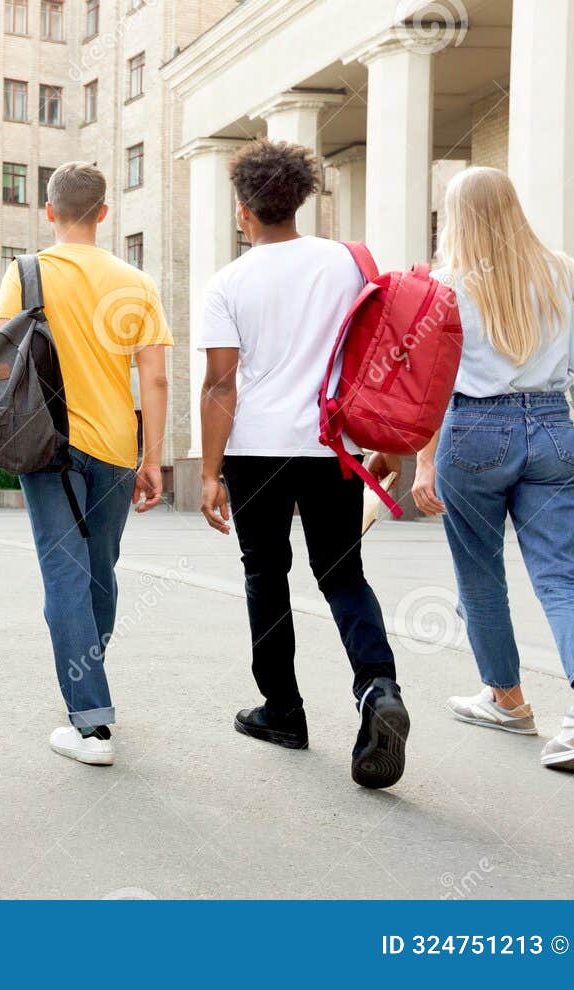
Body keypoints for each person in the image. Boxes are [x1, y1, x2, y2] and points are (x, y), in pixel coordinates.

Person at [196, 138, 409, 790]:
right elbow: (380, 353)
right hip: (330, 441)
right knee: (343, 574)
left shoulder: (228, 283)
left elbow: (221, 387)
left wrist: (208, 474)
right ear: (301, 199)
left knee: (266, 573)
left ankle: (282, 712)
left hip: (254, 450)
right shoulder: (344, 264)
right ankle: (377, 689)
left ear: (245, 211)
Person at [411, 166, 574, 776]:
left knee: (480, 575)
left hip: (474, 432)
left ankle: (507, 699)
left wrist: (424, 461)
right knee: (562, 575)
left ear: (455, 219)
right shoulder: (562, 272)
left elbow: (432, 386)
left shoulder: (443, 285)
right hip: (556, 429)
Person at [0, 161, 171, 768]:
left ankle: (90, 725)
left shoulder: (24, 274)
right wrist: (154, 459)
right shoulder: (135, 282)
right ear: (103, 213)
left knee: (65, 579)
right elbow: (156, 378)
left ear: (49, 212)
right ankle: (90, 687)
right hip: (117, 449)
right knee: (99, 574)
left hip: (46, 447)